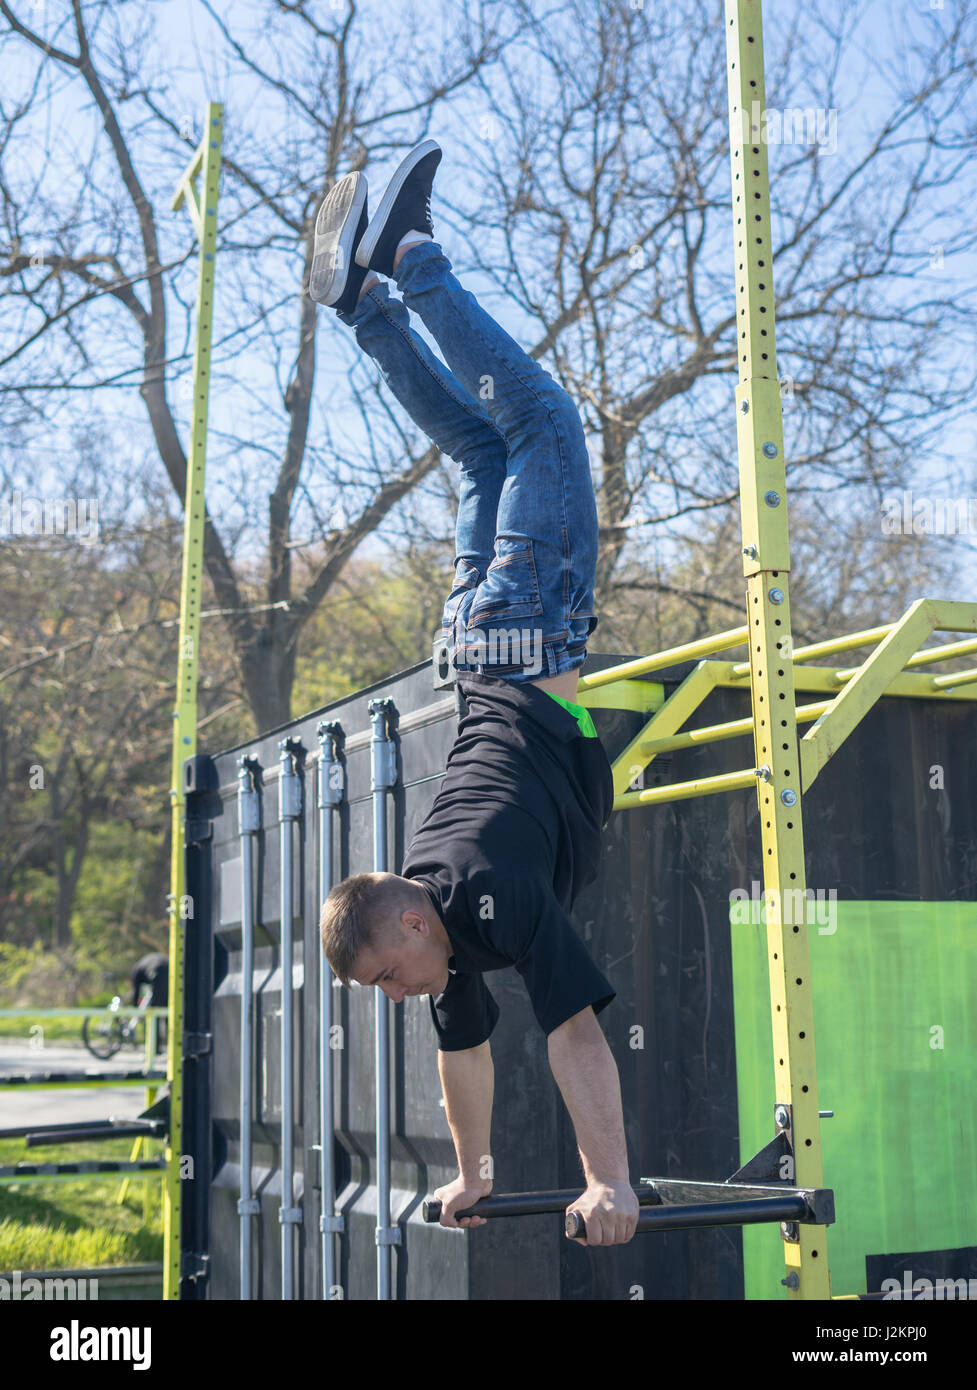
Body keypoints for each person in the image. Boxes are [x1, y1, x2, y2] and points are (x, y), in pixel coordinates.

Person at [313, 142, 638, 1247]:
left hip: (518, 628)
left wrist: (612, 1183)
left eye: (394, 974)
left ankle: (407, 251)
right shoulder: (440, 935)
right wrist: (474, 1174)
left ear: (411, 916)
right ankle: (361, 307)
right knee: (477, 452)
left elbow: (572, 1035)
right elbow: (464, 1053)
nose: (404, 993)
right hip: (466, 646)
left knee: (543, 424)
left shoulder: (488, 895)